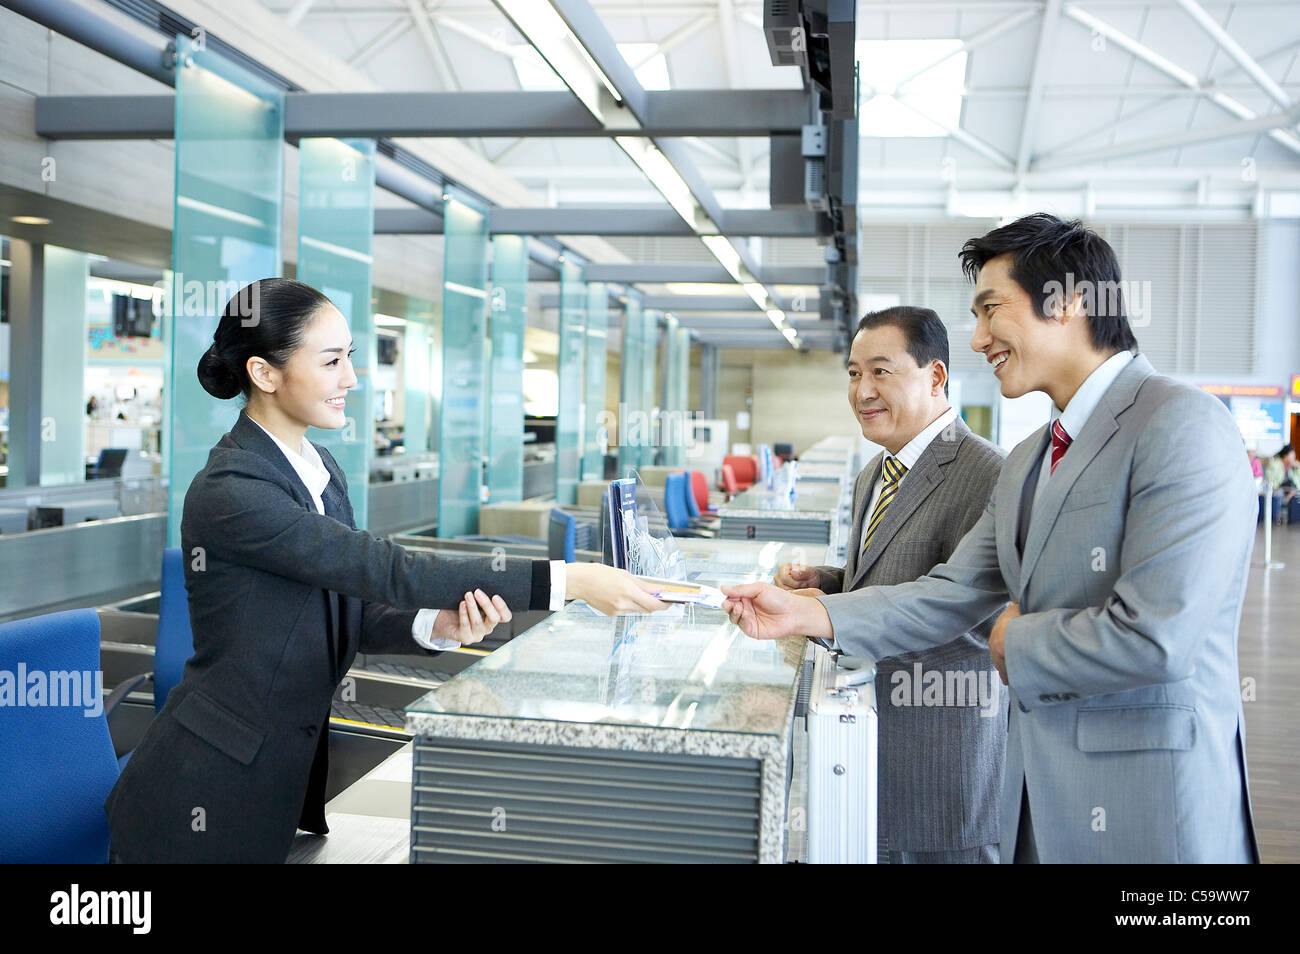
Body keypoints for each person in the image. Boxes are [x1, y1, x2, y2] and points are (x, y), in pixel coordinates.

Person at [723, 214, 1259, 863]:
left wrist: (1014, 639)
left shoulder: (1180, 425)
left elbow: (1157, 637)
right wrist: (807, 612)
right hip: (1029, 799)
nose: (978, 338)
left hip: (1144, 811)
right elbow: (950, 591)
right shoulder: (1036, 453)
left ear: (1068, 303)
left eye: (991, 310)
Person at [104, 278, 669, 863]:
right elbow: (384, 568)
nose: (351, 378)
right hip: (200, 796)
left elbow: (350, 608)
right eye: (331, 361)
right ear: (265, 374)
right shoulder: (233, 489)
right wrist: (569, 580)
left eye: (348, 357)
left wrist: (435, 627)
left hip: (273, 787)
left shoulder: (318, 470)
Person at [776, 306, 1007, 863]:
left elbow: (955, 601)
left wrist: (817, 615)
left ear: (935, 376)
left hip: (940, 747)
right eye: (854, 374)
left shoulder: (987, 473)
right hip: (867, 733)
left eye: (881, 371)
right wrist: (826, 582)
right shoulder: (874, 472)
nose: (862, 390)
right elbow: (892, 573)